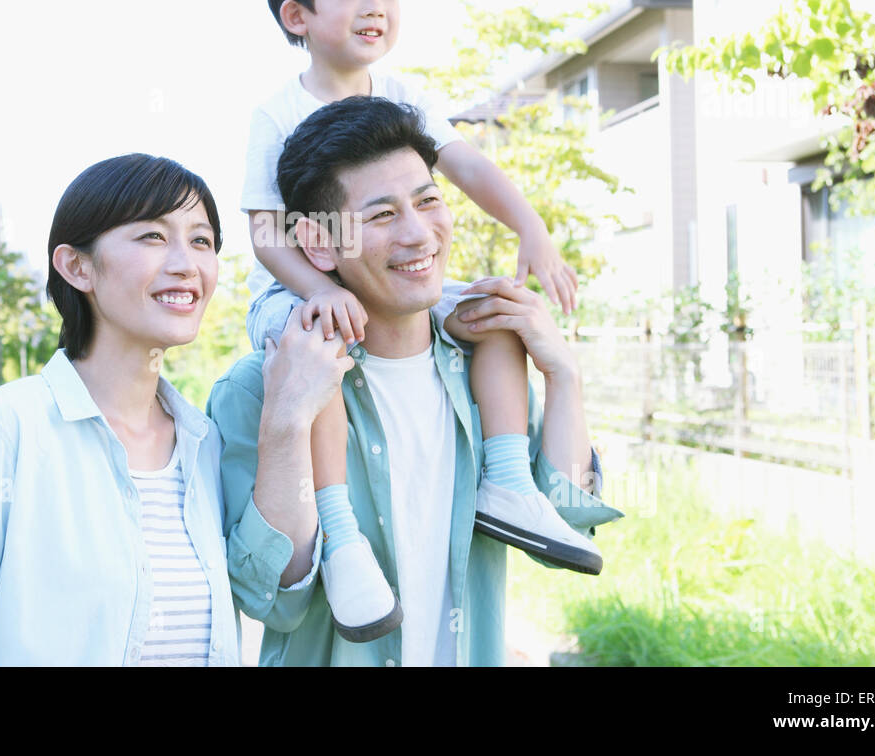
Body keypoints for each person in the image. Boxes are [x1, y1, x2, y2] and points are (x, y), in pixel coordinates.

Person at [240, 0, 594, 643]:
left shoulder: (404, 97)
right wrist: (321, 290)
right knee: (314, 352)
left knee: (493, 309)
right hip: (298, 288)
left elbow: (466, 167)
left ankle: (507, 479)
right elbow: (267, 231)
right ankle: (340, 538)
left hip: (361, 282)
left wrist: (532, 230)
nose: (377, 5)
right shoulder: (277, 113)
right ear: (297, 16)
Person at [211, 97, 626, 666]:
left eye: (428, 201)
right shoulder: (256, 390)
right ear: (319, 243)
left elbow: (568, 514)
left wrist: (562, 375)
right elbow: (272, 601)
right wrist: (285, 423)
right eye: (382, 216)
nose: (419, 234)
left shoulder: (481, 371)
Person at [0, 153, 344, 666]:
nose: (186, 263)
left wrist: (288, 422)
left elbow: (278, 600)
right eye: (153, 237)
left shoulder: (202, 442)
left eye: (201, 241)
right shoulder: (2, 431)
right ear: (77, 266)